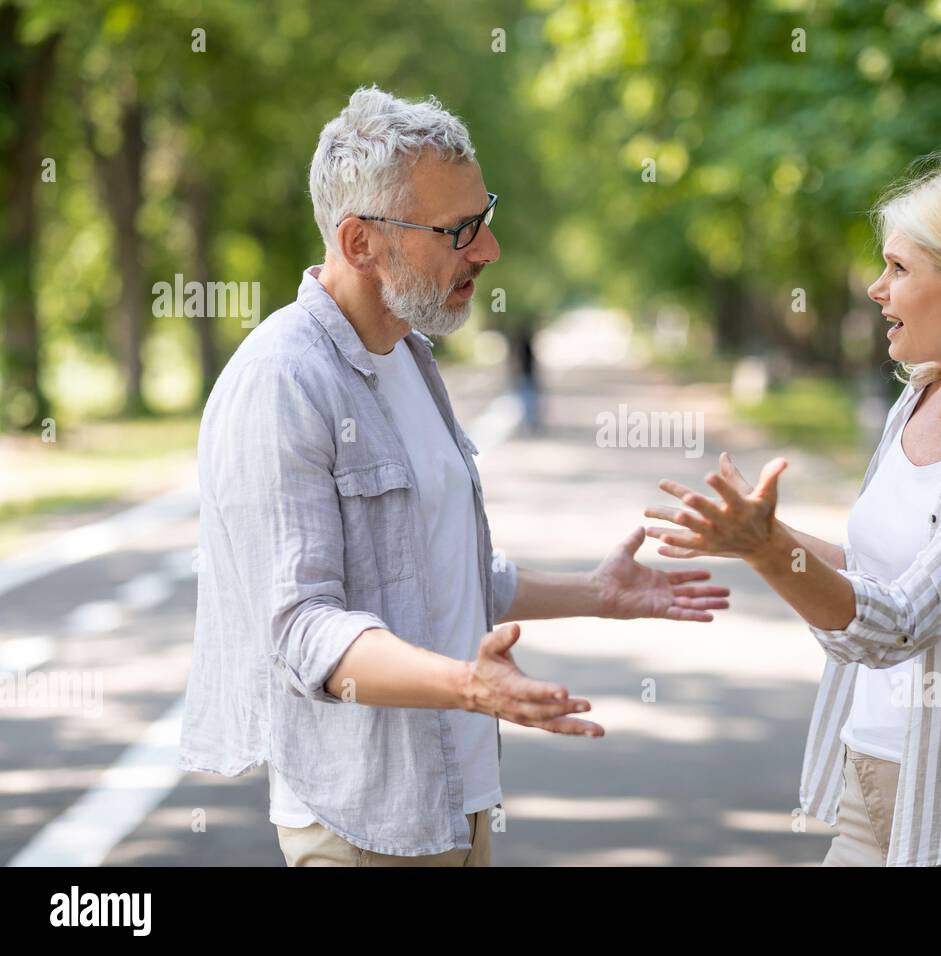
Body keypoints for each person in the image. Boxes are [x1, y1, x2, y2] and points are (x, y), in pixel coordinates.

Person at [178, 87, 730, 867]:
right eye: (458, 230)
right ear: (360, 241)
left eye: (485, 216)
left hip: (457, 803)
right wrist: (468, 688)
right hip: (364, 826)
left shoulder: (409, 355)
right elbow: (301, 628)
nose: (488, 249)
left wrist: (596, 597)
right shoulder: (282, 382)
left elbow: (436, 577)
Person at [646, 162, 941, 867]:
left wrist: (770, 552)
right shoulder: (915, 402)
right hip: (870, 785)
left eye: (898, 266)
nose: (875, 287)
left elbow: (899, 621)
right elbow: (876, 574)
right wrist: (757, 539)